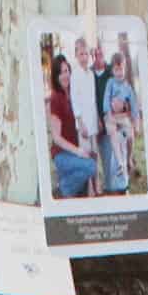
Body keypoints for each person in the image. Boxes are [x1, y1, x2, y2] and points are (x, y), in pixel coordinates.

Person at [46, 51, 99, 198]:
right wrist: (78, 151)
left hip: (76, 150)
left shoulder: (73, 90)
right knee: (91, 166)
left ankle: (73, 186)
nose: (66, 75)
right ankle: (63, 189)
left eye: (67, 71)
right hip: (62, 154)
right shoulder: (56, 99)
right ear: (56, 76)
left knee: (91, 159)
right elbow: (56, 138)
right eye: (61, 72)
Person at [100, 48, 140, 195]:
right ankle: (120, 163)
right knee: (112, 132)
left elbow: (134, 104)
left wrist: (136, 120)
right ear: (113, 70)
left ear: (125, 68)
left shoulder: (127, 86)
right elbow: (106, 98)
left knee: (130, 133)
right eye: (116, 70)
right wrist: (108, 112)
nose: (119, 73)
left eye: (121, 69)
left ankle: (129, 158)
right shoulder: (111, 83)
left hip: (122, 117)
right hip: (111, 115)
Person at [69, 37, 102, 168]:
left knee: (95, 152)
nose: (84, 57)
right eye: (81, 54)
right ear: (76, 55)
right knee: (86, 152)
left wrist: (98, 118)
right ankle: (89, 186)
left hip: (93, 119)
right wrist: (81, 123)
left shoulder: (91, 74)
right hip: (83, 123)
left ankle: (96, 181)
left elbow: (93, 99)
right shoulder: (75, 75)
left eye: (86, 54)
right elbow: (75, 100)